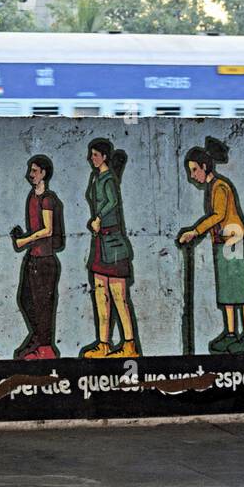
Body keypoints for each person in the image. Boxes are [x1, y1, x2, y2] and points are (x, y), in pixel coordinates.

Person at [177, 136, 244, 354]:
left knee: (242, 293)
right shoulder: (212, 187)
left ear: (204, 167)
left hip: (235, 243)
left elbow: (218, 215)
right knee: (227, 293)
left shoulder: (220, 187)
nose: (192, 175)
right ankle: (231, 333)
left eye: (194, 170)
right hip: (222, 244)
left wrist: (195, 231)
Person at [81, 138, 139, 360]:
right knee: (100, 295)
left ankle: (129, 344)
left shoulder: (109, 180)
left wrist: (98, 217)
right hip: (99, 242)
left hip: (113, 242)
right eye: (91, 154)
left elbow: (112, 202)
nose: (92, 158)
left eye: (95, 154)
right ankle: (104, 344)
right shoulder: (96, 177)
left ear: (105, 156)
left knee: (118, 296)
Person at [11, 155, 63, 361]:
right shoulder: (32, 197)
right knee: (25, 300)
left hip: (45, 261)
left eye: (34, 171)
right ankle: (39, 339)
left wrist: (24, 241)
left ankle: (45, 348)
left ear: (43, 173)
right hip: (33, 257)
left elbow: (48, 230)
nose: (30, 174)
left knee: (43, 306)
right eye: (30, 170)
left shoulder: (47, 199)